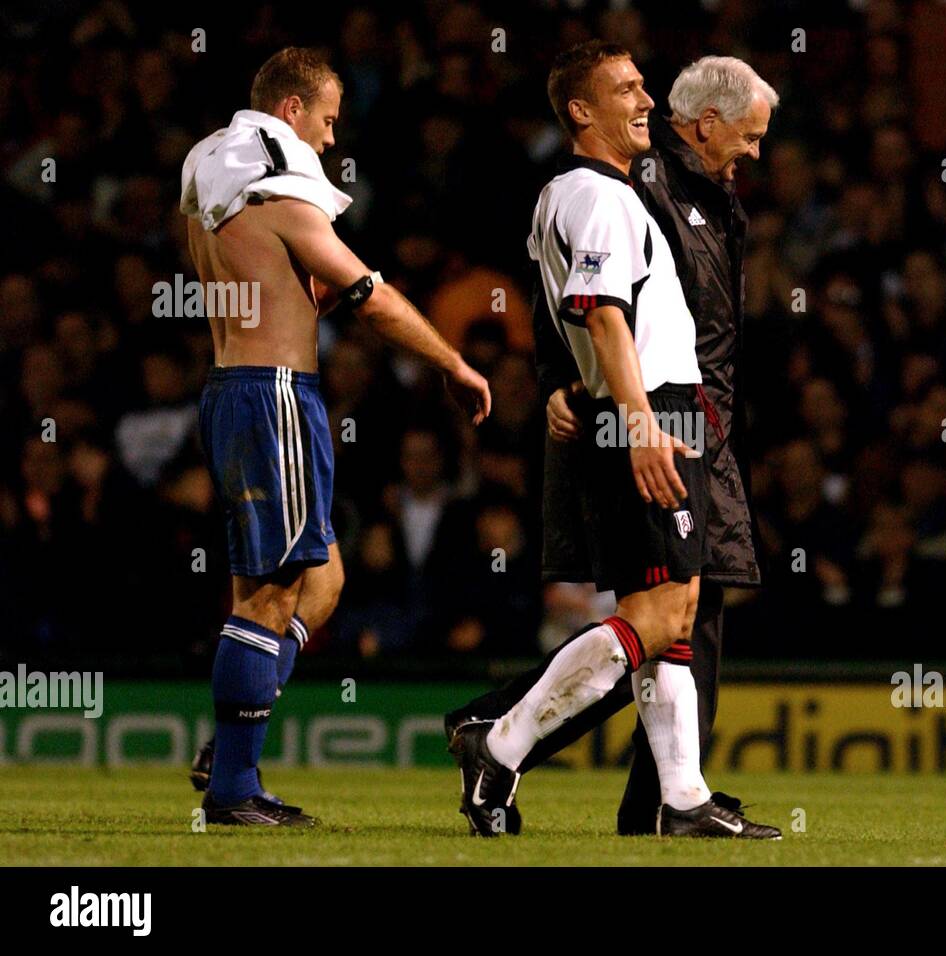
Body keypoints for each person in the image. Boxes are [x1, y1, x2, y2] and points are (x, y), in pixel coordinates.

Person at [446, 41, 778, 839]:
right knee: (661, 613)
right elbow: (599, 310)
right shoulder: (598, 195)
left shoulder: (604, 193)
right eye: (625, 89)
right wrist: (638, 420)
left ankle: (682, 799)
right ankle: (502, 738)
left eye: (644, 86)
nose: (645, 101)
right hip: (647, 410)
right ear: (580, 112)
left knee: (675, 608)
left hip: (652, 405)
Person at [181, 47, 490, 826]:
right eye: (325, 120)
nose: (327, 140)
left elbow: (256, 277)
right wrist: (452, 361)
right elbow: (371, 297)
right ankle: (234, 790)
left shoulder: (209, 175)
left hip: (230, 388)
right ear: (291, 111)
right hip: (275, 393)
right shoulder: (282, 182)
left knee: (320, 584)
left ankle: (229, 748)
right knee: (271, 593)